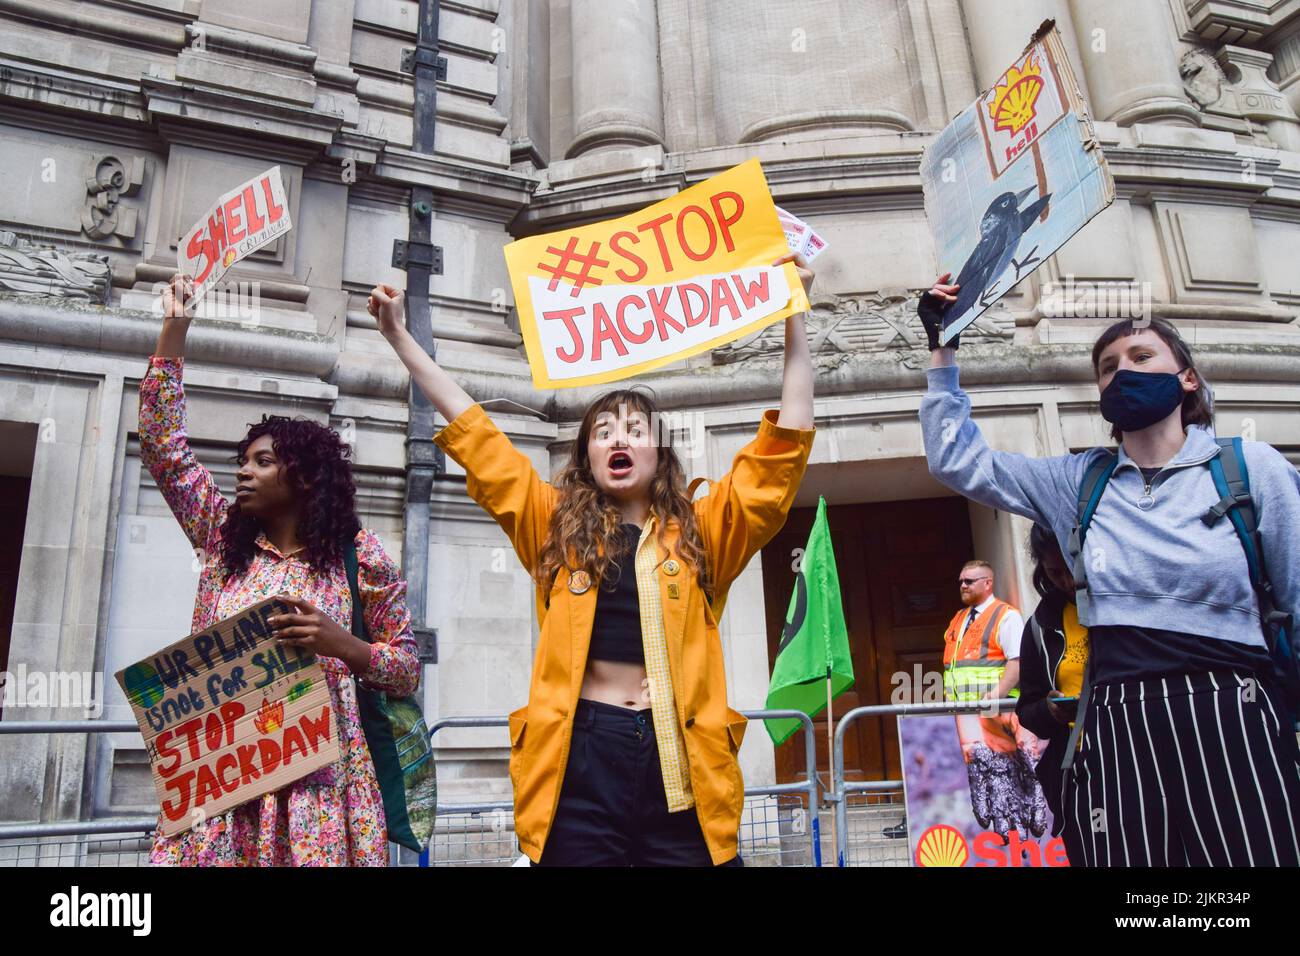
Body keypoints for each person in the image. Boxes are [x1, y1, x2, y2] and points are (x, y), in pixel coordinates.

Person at [368, 256, 816, 866]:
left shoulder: (704, 531)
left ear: (660, 451)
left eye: (635, 428)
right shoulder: (552, 526)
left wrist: (795, 317)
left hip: (681, 766)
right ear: (587, 455)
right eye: (603, 430)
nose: (619, 438)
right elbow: (478, 436)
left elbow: (779, 460)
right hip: (581, 761)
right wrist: (399, 336)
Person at [919, 272, 1300, 866]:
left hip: (1232, 711)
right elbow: (956, 460)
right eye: (1107, 366)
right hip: (1119, 717)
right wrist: (944, 348)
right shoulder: (1078, 482)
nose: (1122, 371)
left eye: (1142, 356)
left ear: (1187, 378)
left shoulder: (1252, 471)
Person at [141, 275, 420, 866]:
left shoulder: (359, 555)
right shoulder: (221, 540)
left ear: (306, 476)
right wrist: (176, 326)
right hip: (226, 775)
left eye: (262, 462)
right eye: (242, 461)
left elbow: (406, 670)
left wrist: (344, 645)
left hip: (322, 789)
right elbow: (164, 447)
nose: (242, 472)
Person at [1016, 524, 1089, 864]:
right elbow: (1027, 707)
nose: (1067, 581)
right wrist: (1049, 710)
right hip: (1079, 771)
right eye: (1054, 572)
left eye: (1072, 568)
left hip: (1138, 758)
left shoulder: (1127, 607)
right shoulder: (1041, 624)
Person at [942, 559, 1024, 703]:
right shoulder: (959, 617)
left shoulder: (1007, 615)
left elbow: (1017, 661)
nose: (963, 586)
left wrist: (994, 698)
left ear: (987, 583)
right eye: (961, 582)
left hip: (997, 707)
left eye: (969, 581)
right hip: (963, 709)